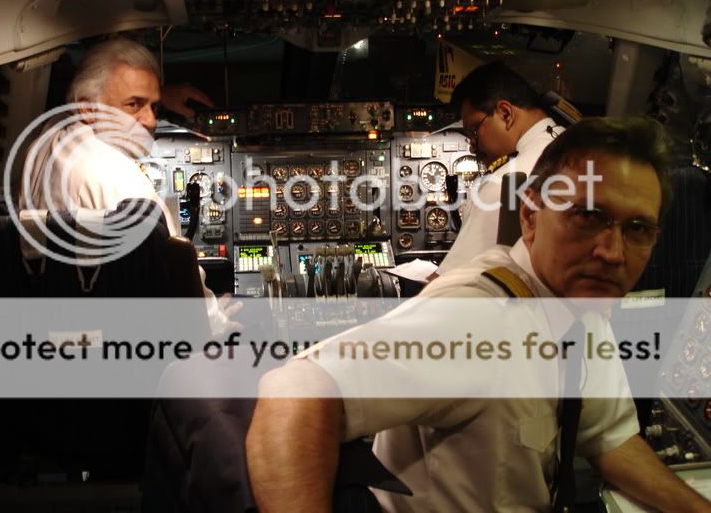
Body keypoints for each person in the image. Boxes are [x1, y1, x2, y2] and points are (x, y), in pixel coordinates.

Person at [246, 117, 711, 512]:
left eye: (637, 229)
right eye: (587, 218)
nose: (612, 252)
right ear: (530, 216)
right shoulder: (479, 318)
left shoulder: (583, 304)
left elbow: (611, 439)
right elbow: (295, 391)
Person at [19, 37, 241, 335]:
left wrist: (153, 95)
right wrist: (219, 324)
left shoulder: (44, 141)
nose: (150, 120)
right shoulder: (124, 183)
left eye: (154, 106)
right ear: (88, 108)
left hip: (59, 330)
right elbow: (179, 277)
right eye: (134, 104)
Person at [435, 61, 565, 276]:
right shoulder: (573, 144)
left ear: (505, 113)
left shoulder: (503, 184)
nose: (472, 144)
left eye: (474, 130)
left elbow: (449, 286)